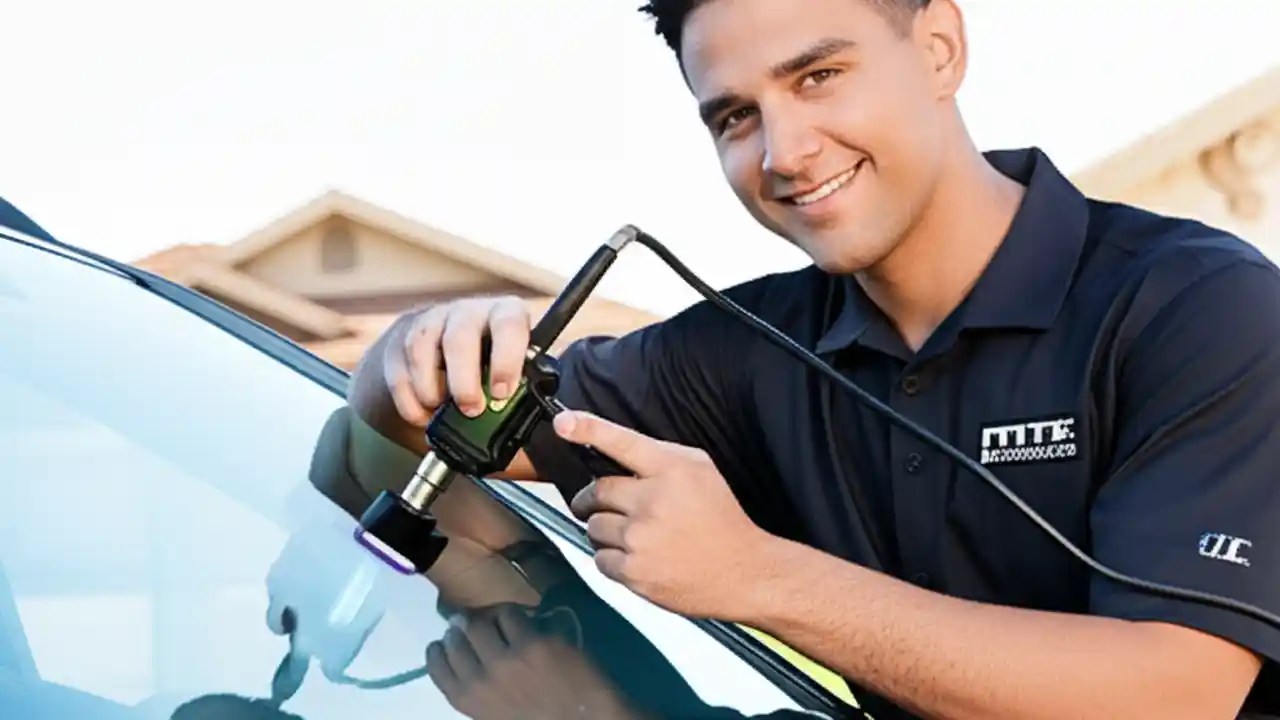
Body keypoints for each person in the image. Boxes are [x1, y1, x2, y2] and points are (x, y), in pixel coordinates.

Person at [348, 0, 1280, 717]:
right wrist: (419, 349)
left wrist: (760, 576)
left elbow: (1174, 693)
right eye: (734, 118)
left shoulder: (1196, 307)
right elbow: (380, 437)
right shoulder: (743, 351)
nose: (785, 151)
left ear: (940, 47)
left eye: (820, 75)